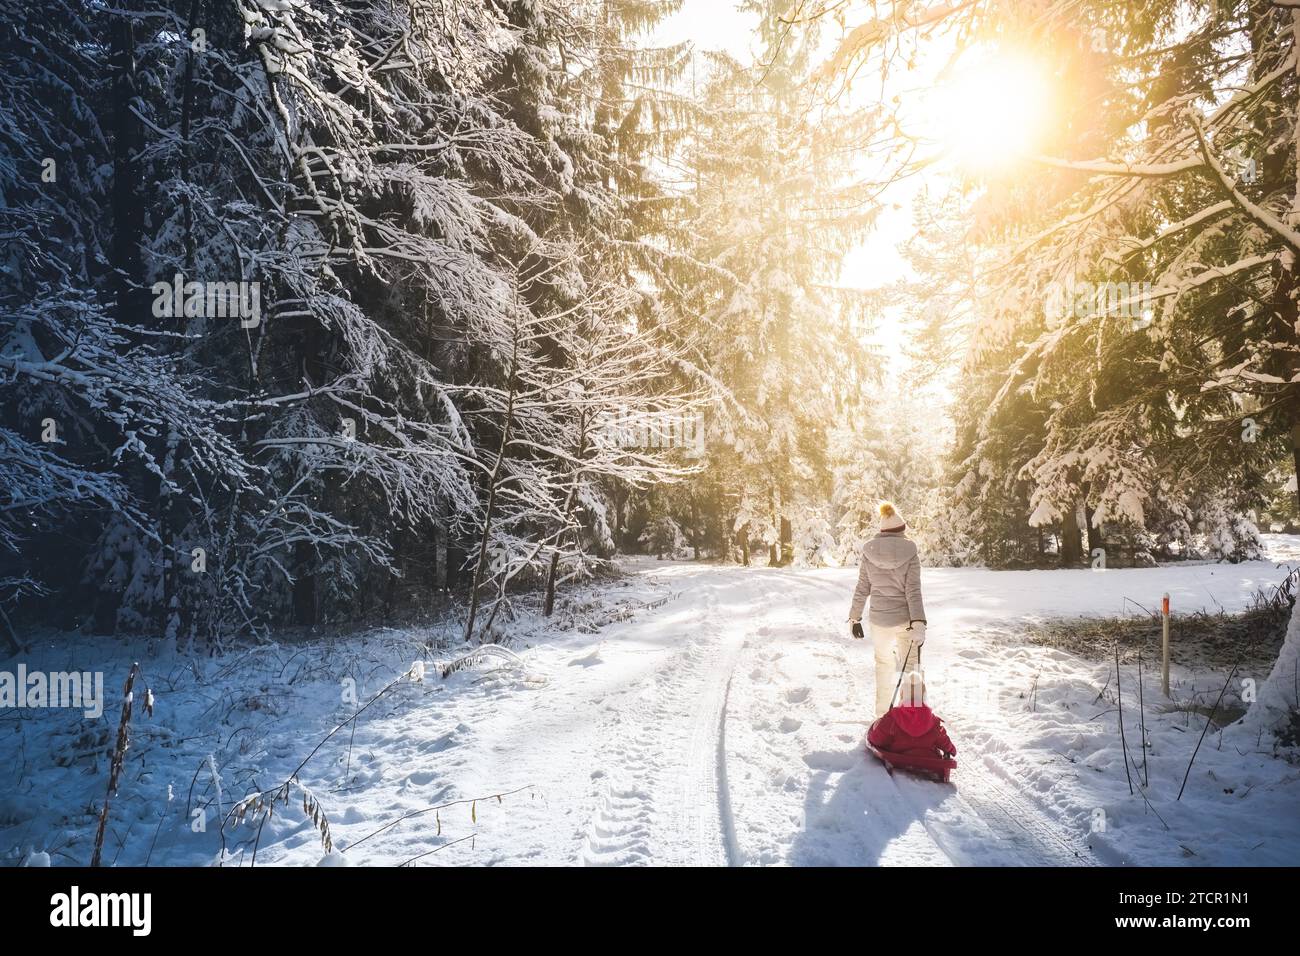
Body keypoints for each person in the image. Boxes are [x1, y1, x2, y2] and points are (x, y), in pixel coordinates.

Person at [847, 501, 927, 717]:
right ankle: (914, 719)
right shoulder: (910, 551)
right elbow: (913, 591)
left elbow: (863, 587)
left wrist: (855, 618)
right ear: (901, 530)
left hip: (879, 622)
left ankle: (881, 717)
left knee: (883, 666)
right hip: (905, 621)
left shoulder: (869, 551)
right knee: (911, 669)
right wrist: (919, 622)